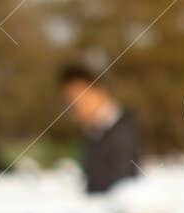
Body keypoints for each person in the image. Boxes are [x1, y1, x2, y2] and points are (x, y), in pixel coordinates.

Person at [58, 64, 142, 193]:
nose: (77, 107)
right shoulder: (91, 133)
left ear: (100, 91)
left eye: (82, 99)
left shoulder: (127, 129)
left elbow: (125, 186)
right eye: (71, 102)